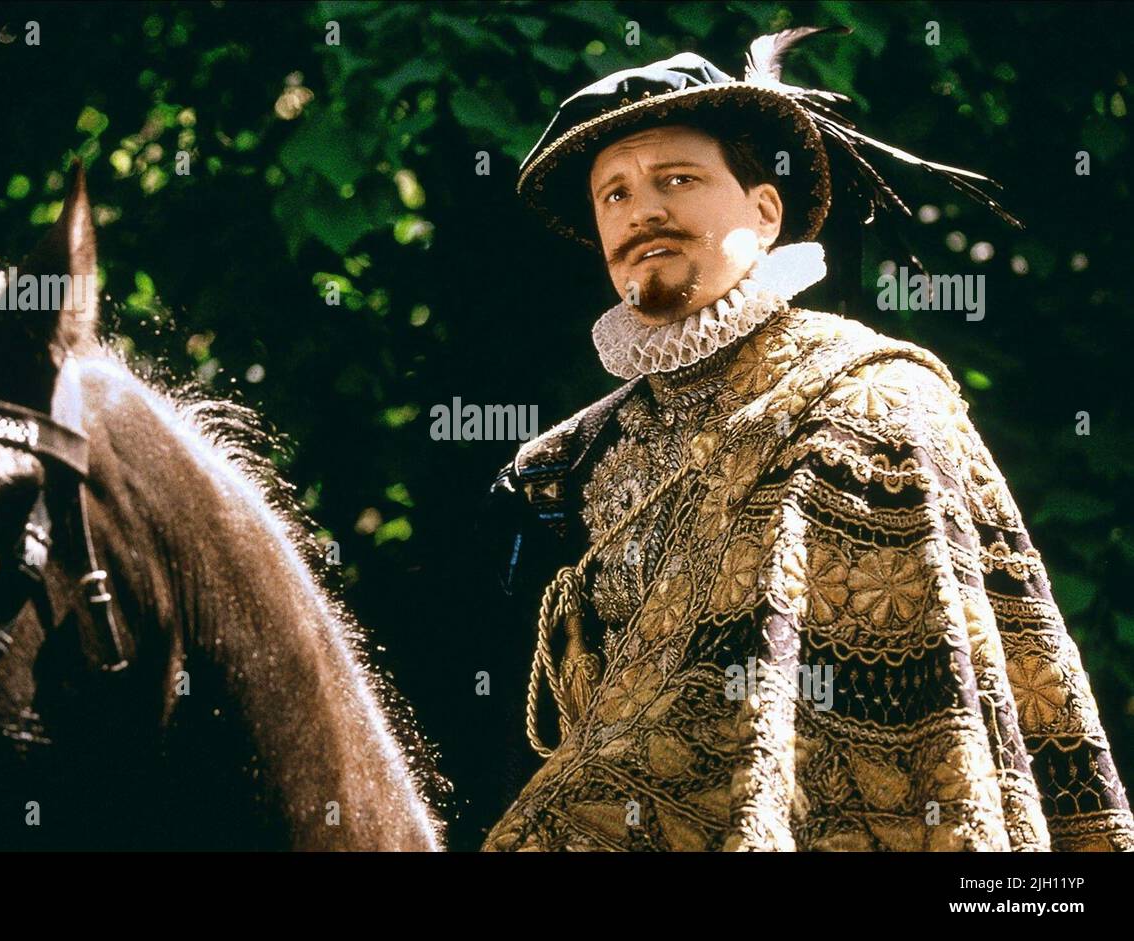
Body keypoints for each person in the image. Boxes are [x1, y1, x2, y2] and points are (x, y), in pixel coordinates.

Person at [479, 28, 1134, 851]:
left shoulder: (877, 398)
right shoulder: (563, 468)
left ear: (764, 211)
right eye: (613, 194)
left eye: (677, 178)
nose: (642, 209)